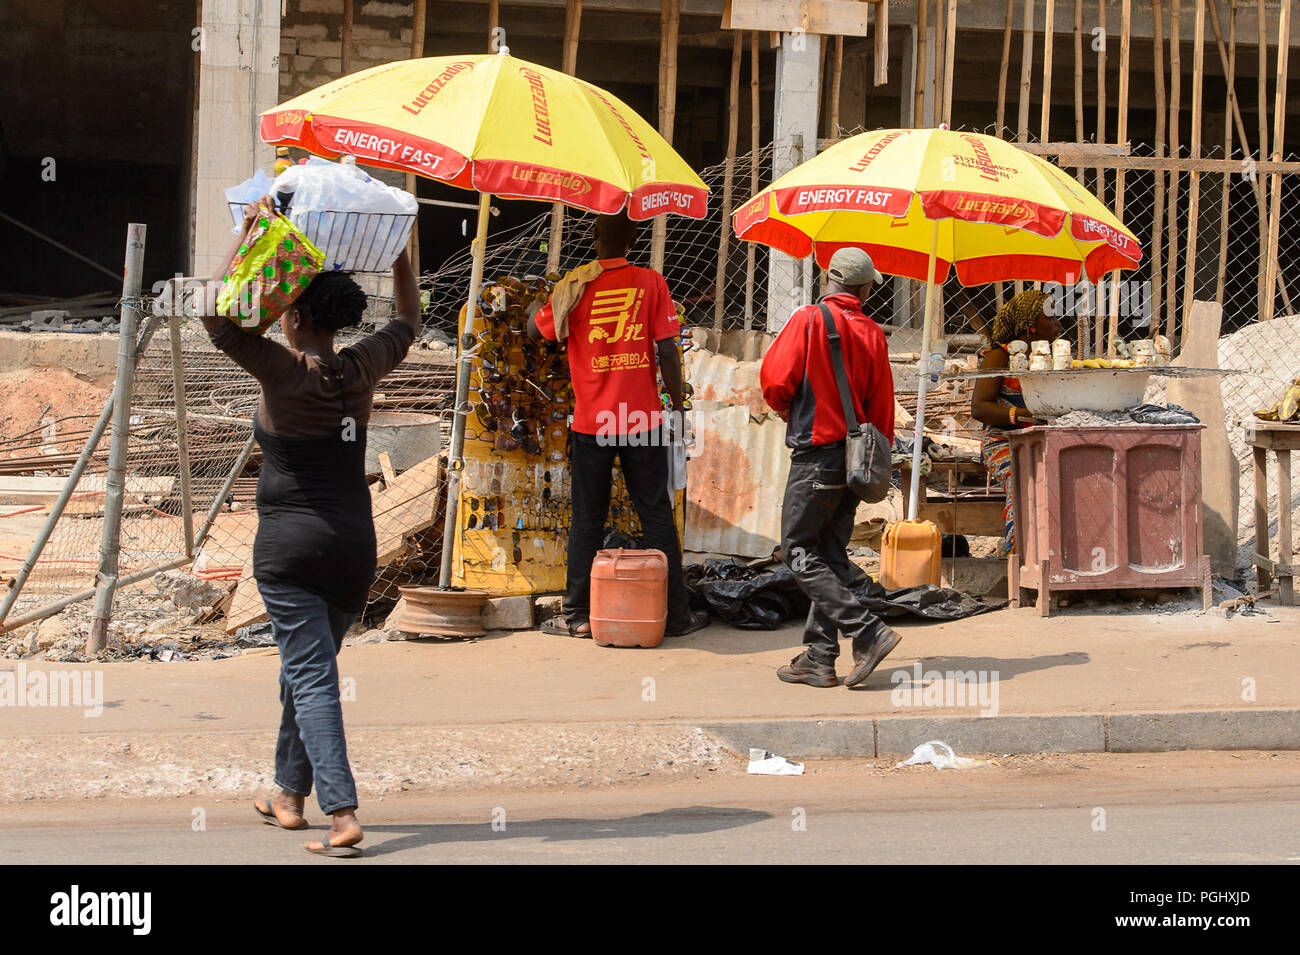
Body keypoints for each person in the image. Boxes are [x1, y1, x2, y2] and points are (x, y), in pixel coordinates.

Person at [203, 198, 421, 857]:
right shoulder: (361, 367)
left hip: (289, 552)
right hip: (353, 550)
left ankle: (343, 810)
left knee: (312, 674)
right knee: (307, 667)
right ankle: (287, 794)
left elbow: (217, 316)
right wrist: (401, 250)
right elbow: (409, 317)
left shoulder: (285, 371)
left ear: (294, 317)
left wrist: (246, 239)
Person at [527, 212, 708, 638]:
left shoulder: (574, 286)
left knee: (588, 518)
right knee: (656, 514)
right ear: (634, 238)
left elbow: (536, 333)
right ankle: (676, 617)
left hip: (592, 422)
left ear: (594, 237)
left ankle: (576, 616)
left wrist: (543, 304)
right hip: (641, 418)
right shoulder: (651, 282)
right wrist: (678, 405)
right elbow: (667, 349)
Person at [760, 248, 898, 689]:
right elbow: (882, 410)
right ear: (863, 288)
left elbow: (775, 382)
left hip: (817, 456)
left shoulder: (808, 320)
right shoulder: (874, 333)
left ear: (829, 280)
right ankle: (819, 658)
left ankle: (867, 629)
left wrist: (790, 412)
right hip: (856, 461)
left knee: (798, 551)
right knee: (831, 556)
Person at [969, 289, 1060, 555]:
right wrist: (1018, 416)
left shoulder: (1052, 358)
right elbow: (979, 407)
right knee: (1022, 477)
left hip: (1043, 438)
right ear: (1030, 325)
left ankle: (1053, 553)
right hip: (1003, 441)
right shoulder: (999, 356)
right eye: (1051, 317)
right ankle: (1020, 556)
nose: (1058, 323)